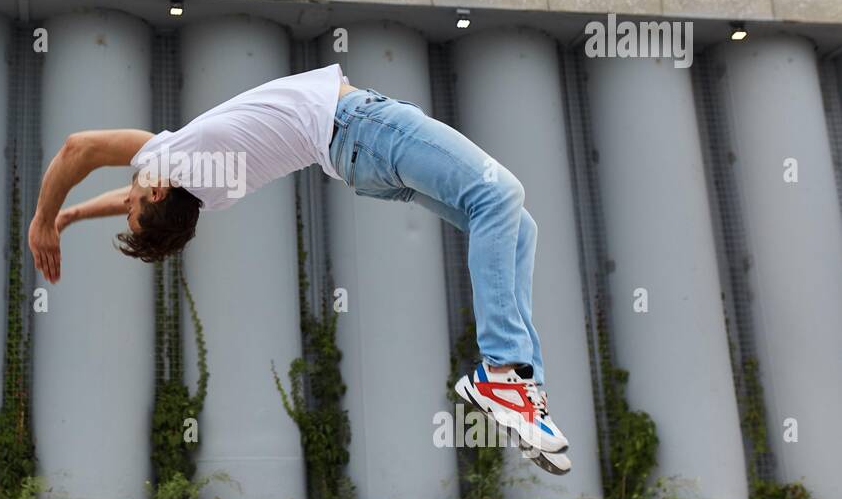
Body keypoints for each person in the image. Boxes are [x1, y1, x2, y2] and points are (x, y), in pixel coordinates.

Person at [28, 62, 571, 475]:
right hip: (361, 128)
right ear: (159, 187)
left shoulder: (206, 188)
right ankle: (503, 373)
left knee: (517, 227)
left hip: (357, 163)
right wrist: (43, 220)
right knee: (501, 196)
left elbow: (134, 199)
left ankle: (524, 386)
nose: (124, 198)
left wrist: (73, 213)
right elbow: (80, 147)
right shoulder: (171, 164)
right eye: (131, 203)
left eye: (126, 204)